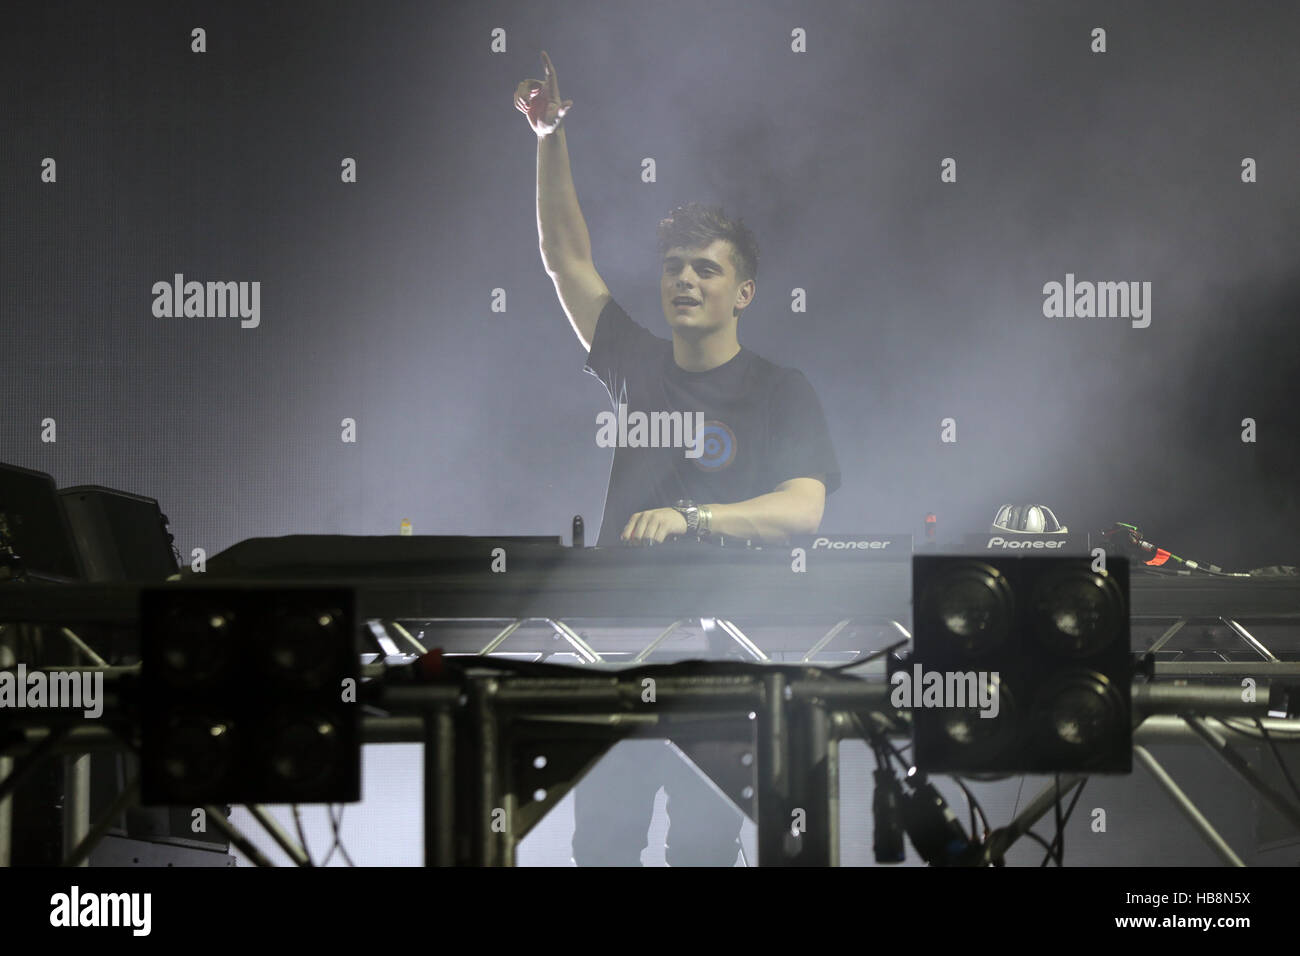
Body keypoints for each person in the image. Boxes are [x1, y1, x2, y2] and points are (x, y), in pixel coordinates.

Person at [515, 52, 841, 865]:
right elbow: (565, 259)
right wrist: (550, 136)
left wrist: (695, 516)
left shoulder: (780, 389)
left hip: (724, 653)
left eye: (706, 268)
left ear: (744, 292)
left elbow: (804, 509)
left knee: (706, 848)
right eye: (673, 269)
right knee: (606, 849)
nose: (685, 281)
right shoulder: (634, 361)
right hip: (616, 649)